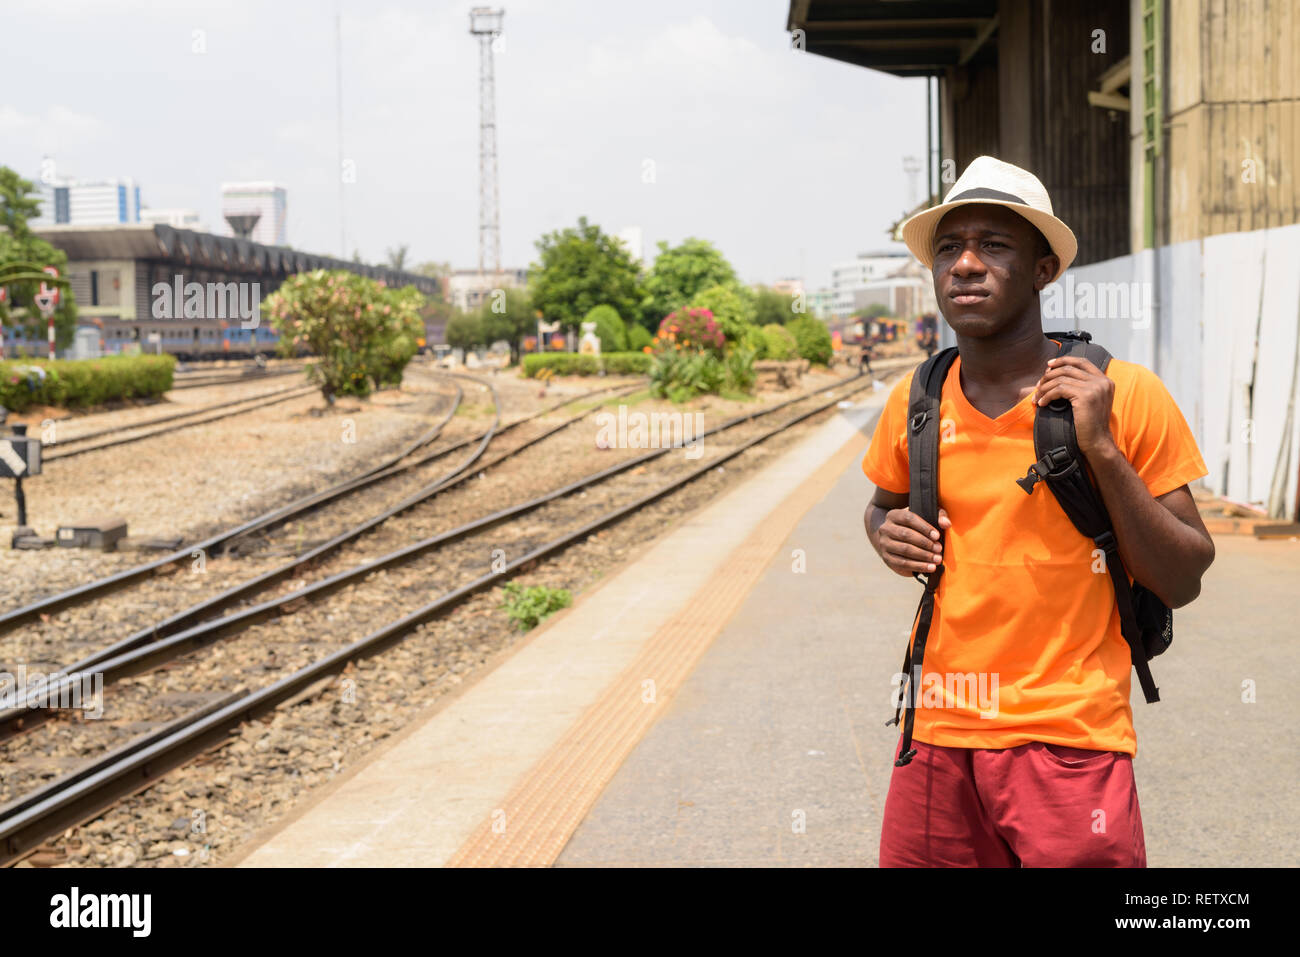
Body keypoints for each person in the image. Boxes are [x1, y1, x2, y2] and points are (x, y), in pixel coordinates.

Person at [861, 155, 1215, 868]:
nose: (965, 264)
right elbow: (882, 507)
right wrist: (884, 533)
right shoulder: (917, 400)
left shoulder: (1123, 392)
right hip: (935, 734)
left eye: (993, 245)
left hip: (1070, 740)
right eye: (949, 249)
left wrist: (1103, 450)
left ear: (1043, 269)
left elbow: (1183, 574)